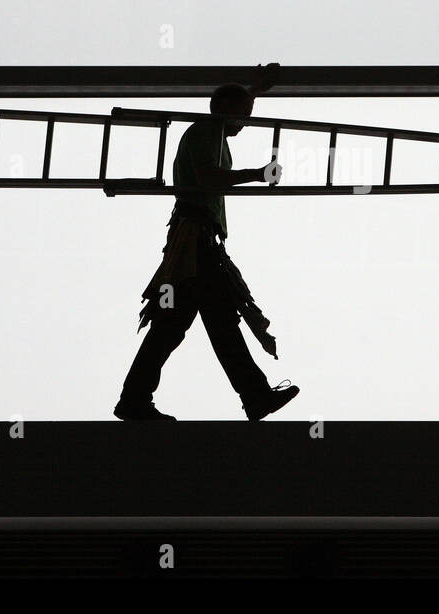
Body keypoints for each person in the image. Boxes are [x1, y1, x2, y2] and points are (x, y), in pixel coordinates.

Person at [114, 63, 300, 421]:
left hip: (194, 242)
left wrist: (254, 89)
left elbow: (230, 111)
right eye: (244, 115)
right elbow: (209, 178)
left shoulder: (209, 133)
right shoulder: (206, 133)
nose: (245, 123)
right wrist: (257, 175)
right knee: (212, 323)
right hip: (196, 242)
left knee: (178, 325)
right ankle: (254, 395)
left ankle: (136, 398)